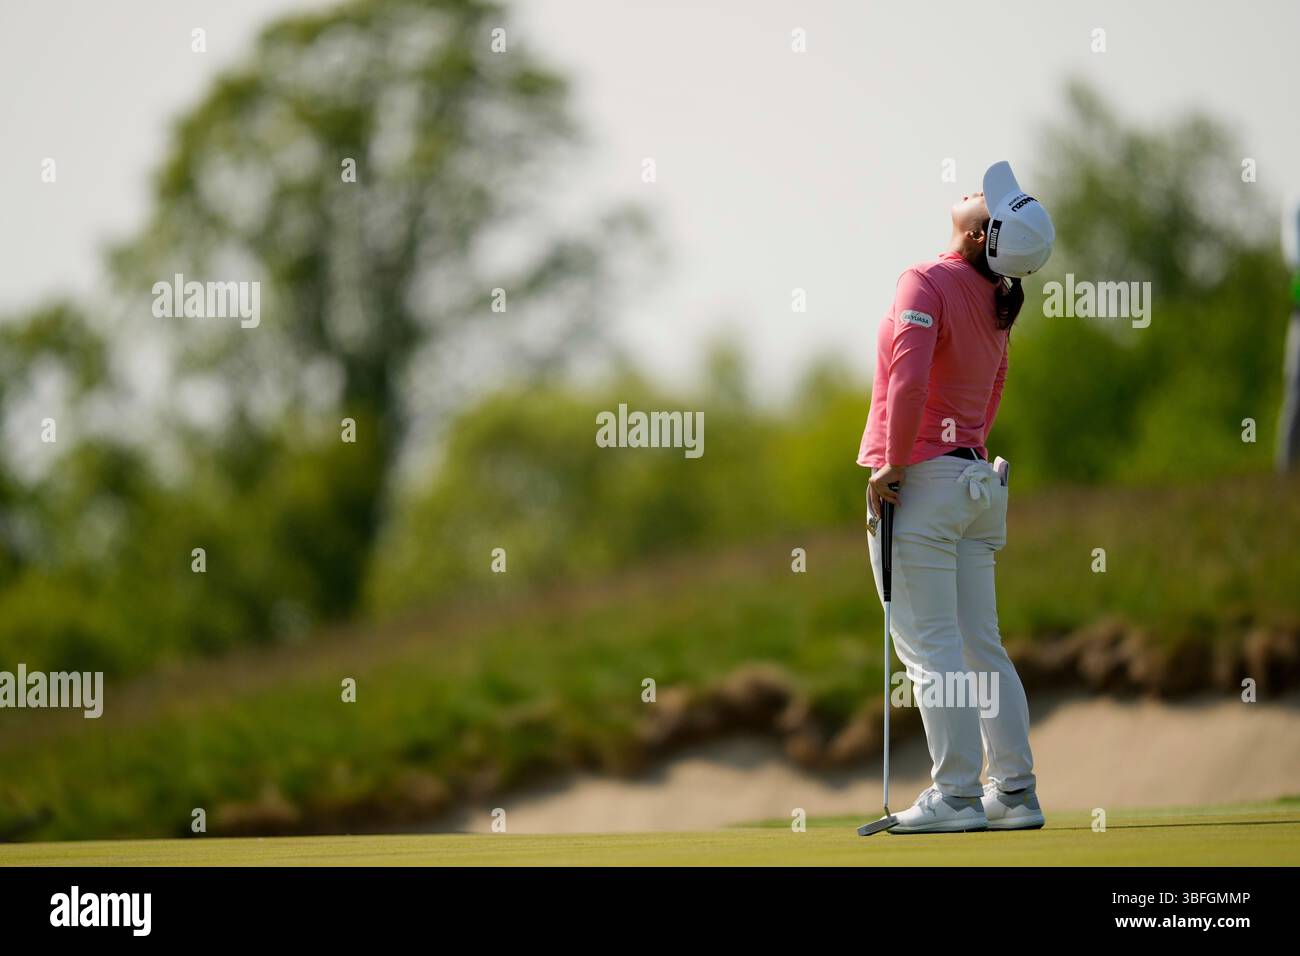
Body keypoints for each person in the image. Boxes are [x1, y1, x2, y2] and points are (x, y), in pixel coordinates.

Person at [857, 162, 1053, 833]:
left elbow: (908, 384)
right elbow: (990, 395)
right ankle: (1015, 791)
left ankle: (959, 796)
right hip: (974, 481)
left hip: (929, 480)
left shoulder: (927, 280)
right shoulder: (998, 296)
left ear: (978, 234)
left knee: (933, 647)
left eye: (985, 201)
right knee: (980, 645)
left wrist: (890, 465)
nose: (975, 193)